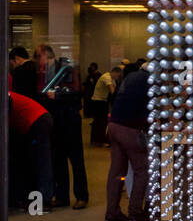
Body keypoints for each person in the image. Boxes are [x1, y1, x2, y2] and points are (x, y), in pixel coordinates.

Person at [36, 45, 89, 210]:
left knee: (76, 160)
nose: (38, 61)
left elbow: (77, 92)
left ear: (46, 55)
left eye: (39, 57)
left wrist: (58, 95)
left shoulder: (66, 69)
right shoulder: (44, 73)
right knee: (58, 160)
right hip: (55, 120)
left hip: (69, 119)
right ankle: (62, 196)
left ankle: (81, 196)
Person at [105, 63, 149, 221]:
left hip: (114, 126)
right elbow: (163, 107)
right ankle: (135, 213)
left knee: (116, 171)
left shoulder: (131, 77)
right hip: (130, 130)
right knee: (141, 169)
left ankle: (112, 213)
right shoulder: (152, 80)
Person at [8, 89, 55, 210]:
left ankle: (44, 200)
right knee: (34, 161)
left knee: (41, 161)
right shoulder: (7, 95)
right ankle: (32, 198)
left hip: (38, 121)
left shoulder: (6, 97)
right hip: (36, 120)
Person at [90, 64, 122, 147]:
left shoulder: (111, 78)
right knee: (100, 122)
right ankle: (98, 141)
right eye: (118, 75)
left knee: (100, 122)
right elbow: (112, 91)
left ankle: (97, 141)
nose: (117, 78)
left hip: (102, 101)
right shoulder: (106, 77)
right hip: (98, 102)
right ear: (114, 72)